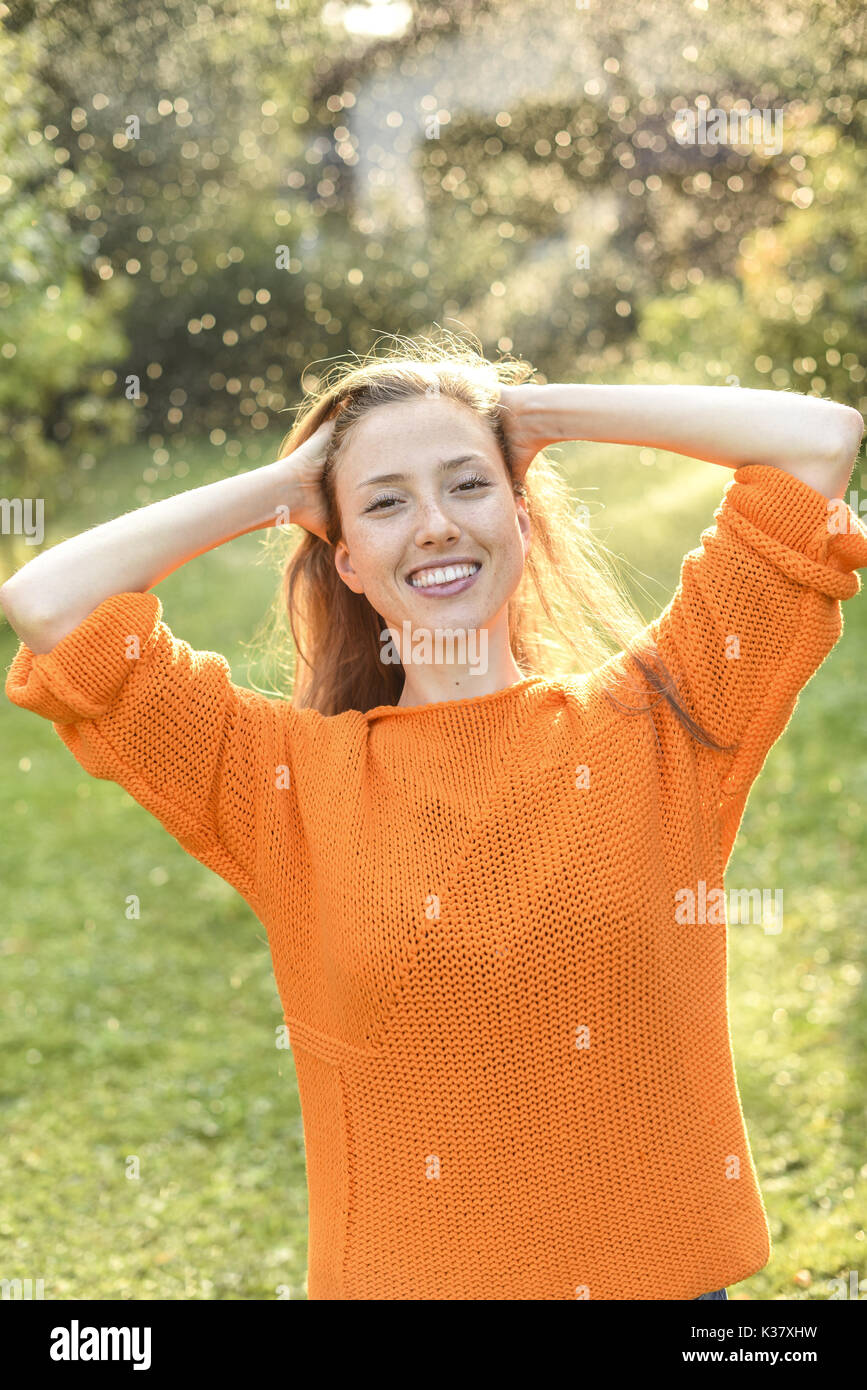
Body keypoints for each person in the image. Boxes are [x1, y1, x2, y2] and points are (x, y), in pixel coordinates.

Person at [3, 336, 865, 1300]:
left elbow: (817, 442)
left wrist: (538, 416)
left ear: (522, 519)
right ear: (348, 562)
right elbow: (47, 600)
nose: (435, 526)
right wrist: (291, 486)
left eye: (467, 487)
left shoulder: (661, 725)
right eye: (385, 503)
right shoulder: (283, 782)